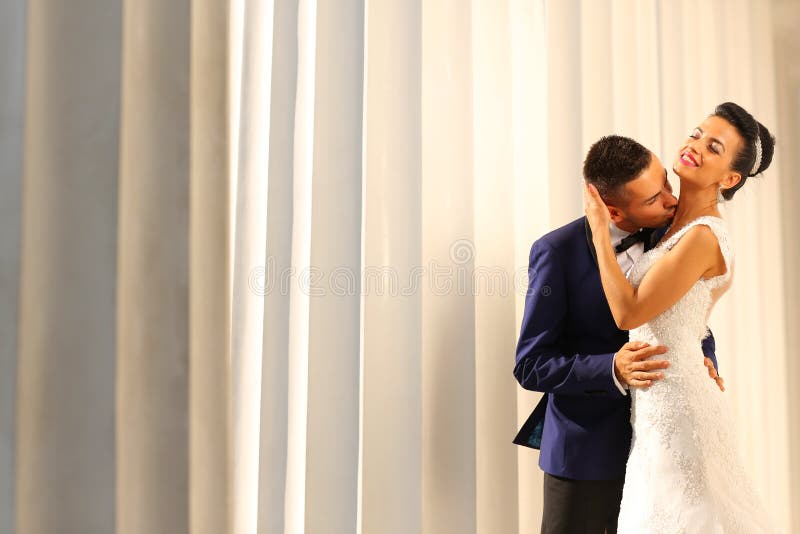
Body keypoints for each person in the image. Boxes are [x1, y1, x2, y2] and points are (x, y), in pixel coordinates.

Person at [514, 135, 722, 533]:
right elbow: (530, 364)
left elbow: (689, 316)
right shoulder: (556, 252)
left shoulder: (676, 238)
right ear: (612, 211)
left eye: (665, 182)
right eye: (652, 199)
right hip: (585, 456)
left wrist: (704, 353)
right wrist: (611, 368)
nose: (671, 200)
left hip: (663, 447)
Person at [583, 102, 775, 532]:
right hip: (655, 404)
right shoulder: (668, 226)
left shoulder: (704, 236)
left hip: (681, 408)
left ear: (729, 179)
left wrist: (599, 231)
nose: (695, 146)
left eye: (714, 147)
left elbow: (630, 311)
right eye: (696, 133)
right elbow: (684, 317)